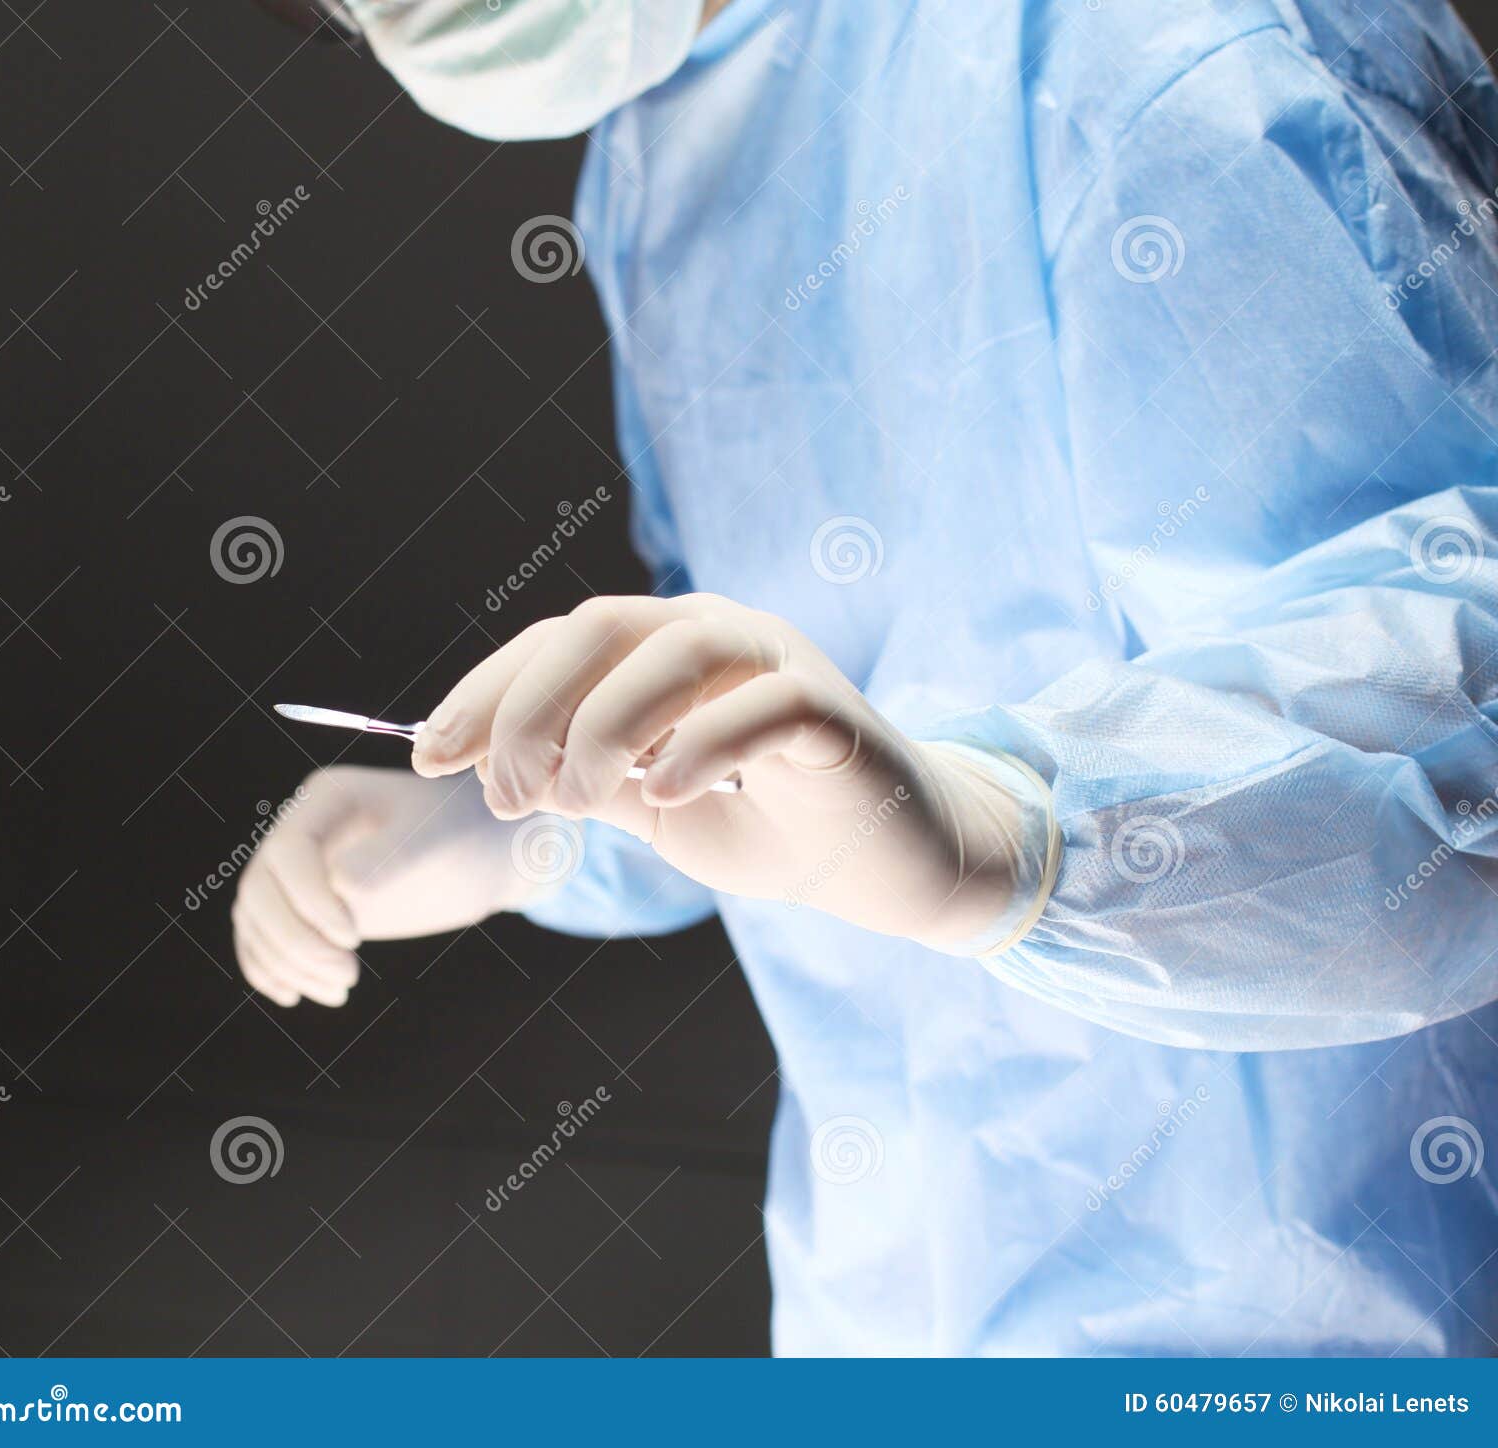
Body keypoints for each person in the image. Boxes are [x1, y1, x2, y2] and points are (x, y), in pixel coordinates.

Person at [236, 0, 1498, 1355]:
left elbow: (1455, 693)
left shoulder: (1155, 37)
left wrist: (1023, 842)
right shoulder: (659, 160)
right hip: (890, 1305)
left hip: (1320, 1324)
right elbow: (796, 729)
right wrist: (522, 829)